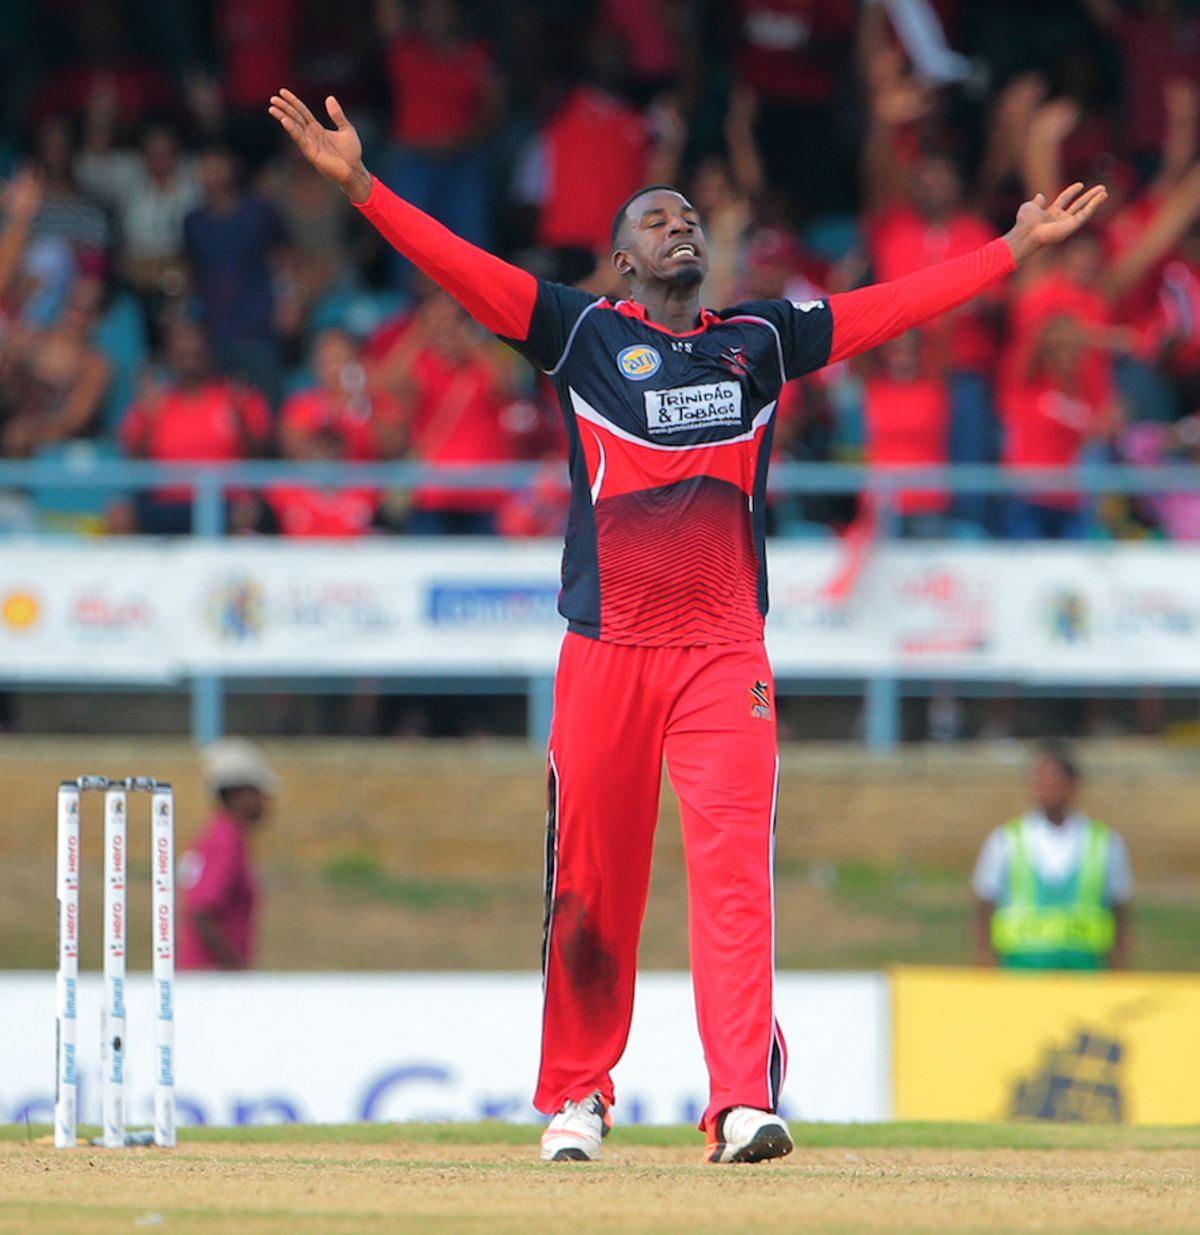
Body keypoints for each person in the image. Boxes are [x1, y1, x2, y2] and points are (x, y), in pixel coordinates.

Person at [268, 86, 1106, 1165]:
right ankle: (577, 1095)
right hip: (607, 648)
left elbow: (889, 307)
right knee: (591, 880)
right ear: (620, 263)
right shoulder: (580, 336)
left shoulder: (759, 339)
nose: (681, 227)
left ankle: (741, 1101)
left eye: (688, 218)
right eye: (655, 220)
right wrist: (366, 188)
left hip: (722, 654)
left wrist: (1010, 247)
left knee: (733, 873)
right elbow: (466, 272)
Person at [972, 743, 1133, 970]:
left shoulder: (1105, 843)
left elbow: (1119, 912)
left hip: (1085, 976)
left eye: (1054, 784)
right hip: (1021, 975)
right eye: (1039, 782)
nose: (1045, 790)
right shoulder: (1006, 840)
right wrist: (985, 967)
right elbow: (985, 907)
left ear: (1073, 786)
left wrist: (1119, 971)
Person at [178, 739, 279, 971]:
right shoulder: (226, 841)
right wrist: (237, 971)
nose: (265, 803)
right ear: (238, 794)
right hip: (211, 979)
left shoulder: (219, 835)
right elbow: (201, 913)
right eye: (258, 794)